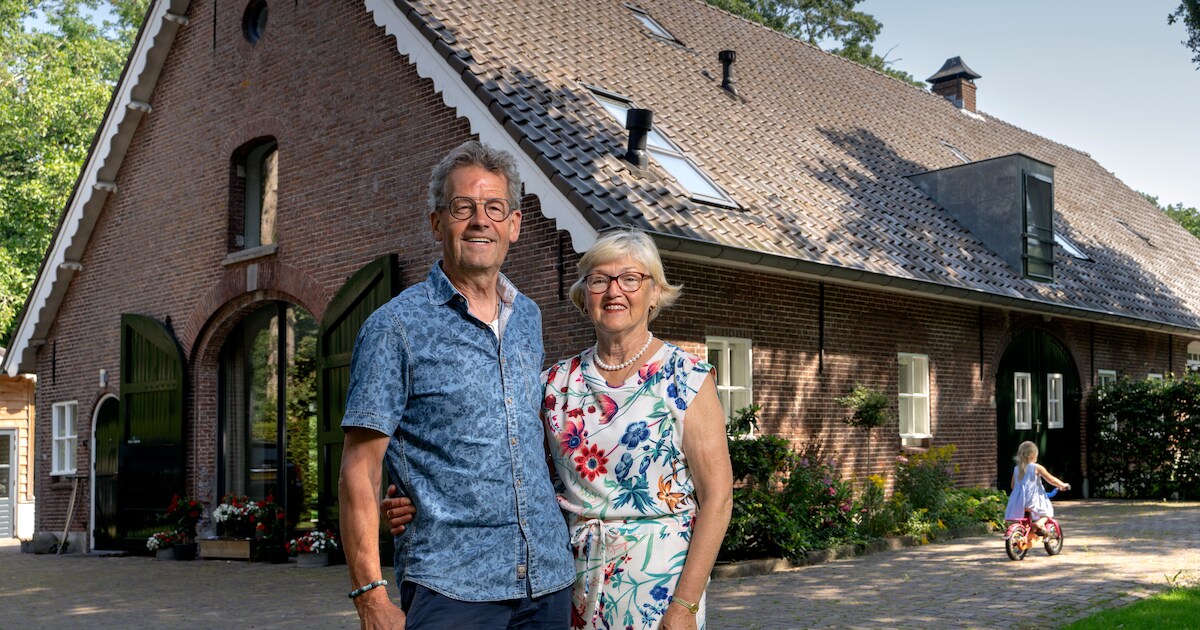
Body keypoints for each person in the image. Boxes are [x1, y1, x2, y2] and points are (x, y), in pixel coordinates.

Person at [385, 229, 733, 630]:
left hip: (659, 586)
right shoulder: (554, 383)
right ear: (584, 296)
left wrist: (685, 606)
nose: (614, 291)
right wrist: (413, 497)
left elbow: (718, 498)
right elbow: (505, 460)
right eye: (599, 280)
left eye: (631, 279)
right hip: (568, 581)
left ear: (655, 293)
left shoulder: (687, 377)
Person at [339, 140, 574, 629]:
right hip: (452, 587)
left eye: (494, 208)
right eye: (463, 207)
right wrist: (370, 594)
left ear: (514, 224)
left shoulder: (527, 317)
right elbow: (360, 470)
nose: (479, 221)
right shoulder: (394, 327)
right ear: (437, 222)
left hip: (546, 579)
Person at [1004, 441, 1070, 535]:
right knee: (1047, 511)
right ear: (1033, 455)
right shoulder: (1036, 467)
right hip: (1032, 501)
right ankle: (1039, 523)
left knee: (1024, 517)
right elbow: (1051, 479)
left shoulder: (1016, 469)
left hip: (1018, 503)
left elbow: (1013, 486)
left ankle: (1022, 532)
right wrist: (1062, 485)